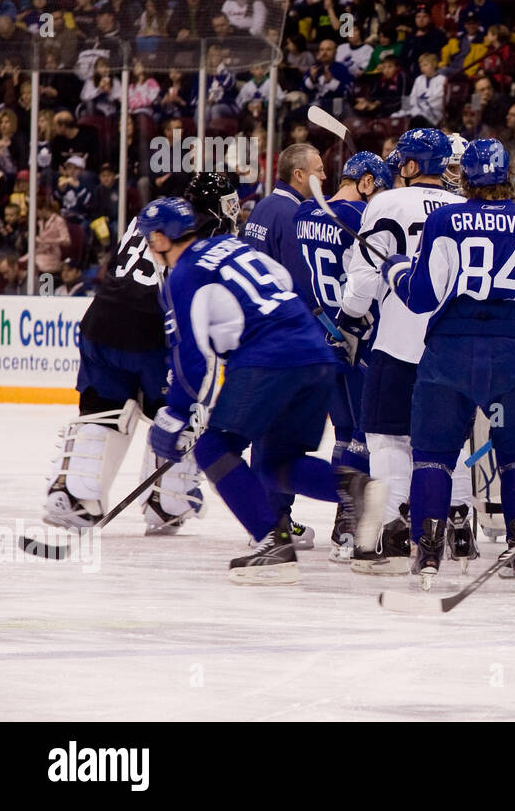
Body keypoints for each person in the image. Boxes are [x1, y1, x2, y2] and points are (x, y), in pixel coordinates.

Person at [142, 197, 383, 585]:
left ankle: (272, 542)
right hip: (316, 353)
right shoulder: (232, 246)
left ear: (158, 238)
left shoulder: (182, 276)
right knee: (274, 463)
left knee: (212, 448)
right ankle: (354, 487)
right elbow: (284, 281)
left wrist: (176, 413)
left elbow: (191, 357)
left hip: (268, 361)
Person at [382, 139, 515, 586]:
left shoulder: (445, 219)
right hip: (511, 356)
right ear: (507, 175)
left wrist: (395, 269)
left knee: (432, 456)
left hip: (450, 356)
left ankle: (429, 554)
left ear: (465, 178)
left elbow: (422, 297)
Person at [44, 172, 239, 535]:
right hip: (153, 330)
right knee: (180, 413)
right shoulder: (205, 235)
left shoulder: (148, 217)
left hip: (102, 317)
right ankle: (168, 500)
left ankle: (74, 496)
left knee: (103, 412)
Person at [338, 129, 474, 575]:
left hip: (398, 342)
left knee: (387, 437)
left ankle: (392, 535)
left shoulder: (386, 203)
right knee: (442, 443)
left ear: (413, 165)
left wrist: (350, 316)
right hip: (454, 347)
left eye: (401, 162)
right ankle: (455, 527)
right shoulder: (464, 209)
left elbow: (361, 284)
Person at [294, 150, 392, 561]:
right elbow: (365, 281)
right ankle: (351, 528)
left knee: (344, 432)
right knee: (363, 433)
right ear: (367, 181)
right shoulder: (357, 219)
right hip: (356, 334)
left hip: (320, 336)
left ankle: (342, 525)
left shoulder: (303, 214)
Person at [242, 142, 322, 310]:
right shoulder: (293, 215)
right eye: (319, 170)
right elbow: (301, 281)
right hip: (282, 317)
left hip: (258, 310)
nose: (324, 176)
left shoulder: (262, 206)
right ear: (299, 175)